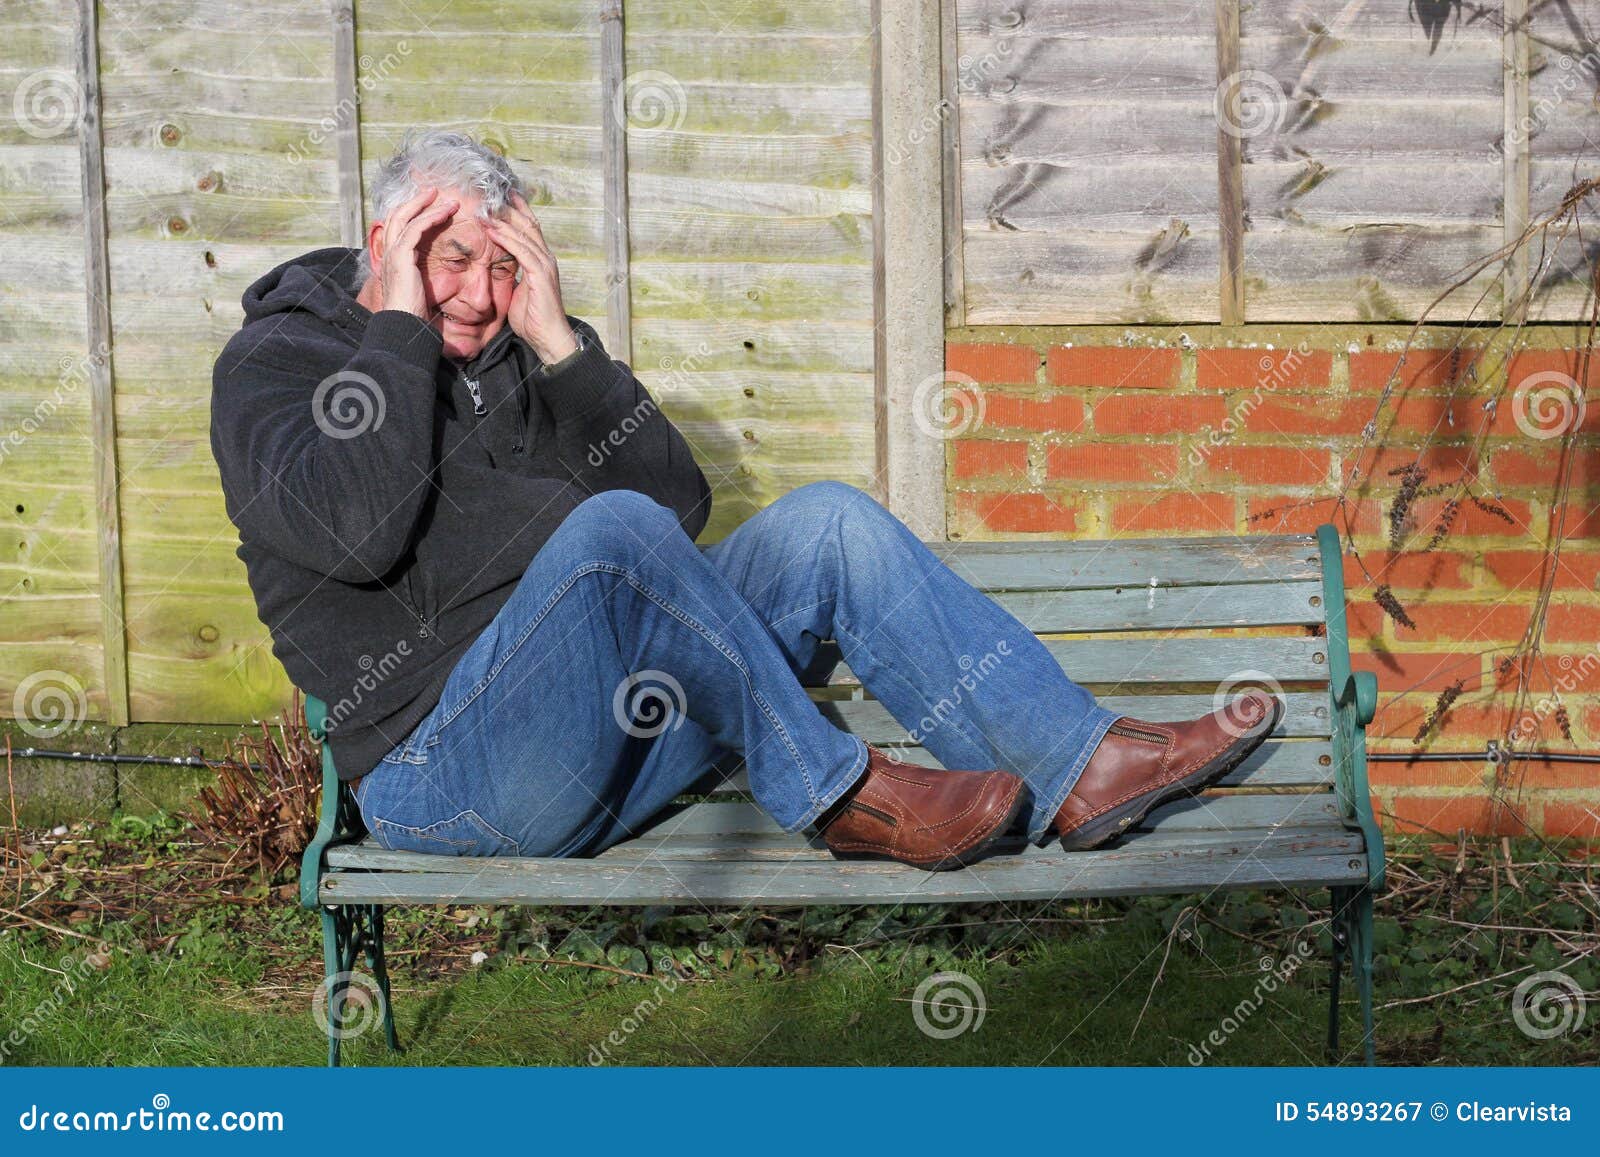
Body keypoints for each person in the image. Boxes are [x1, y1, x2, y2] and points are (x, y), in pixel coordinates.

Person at [210, 129, 1280, 872]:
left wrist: (563, 350)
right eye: (453, 262)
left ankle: (1081, 766)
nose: (482, 298)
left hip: (612, 739)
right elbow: (356, 532)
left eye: (503, 269)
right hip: (444, 775)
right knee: (605, 531)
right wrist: (400, 327)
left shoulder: (516, 352)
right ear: (387, 242)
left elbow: (674, 515)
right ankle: (844, 795)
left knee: (825, 523)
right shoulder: (275, 364)